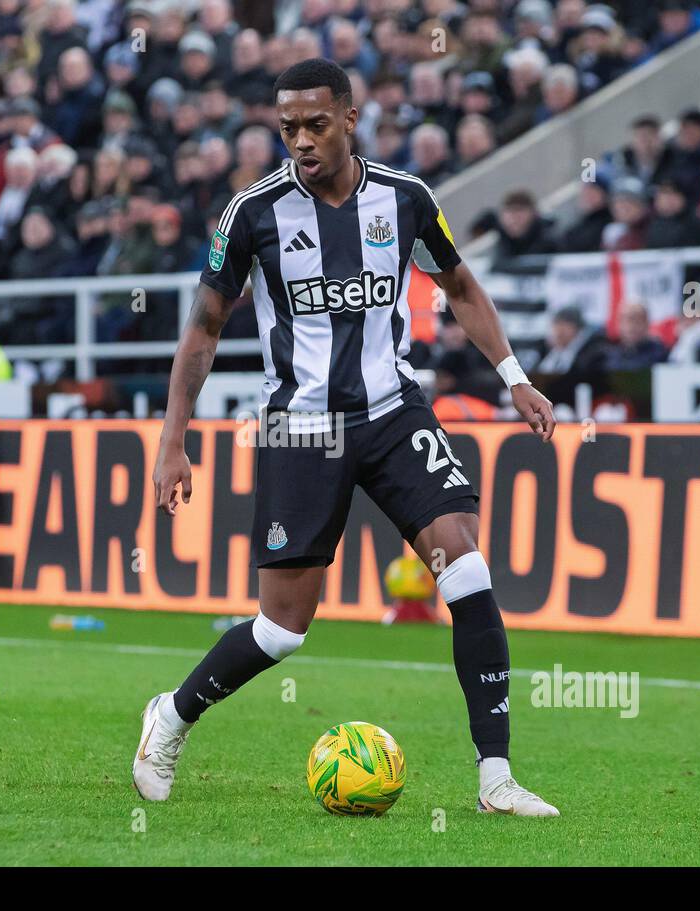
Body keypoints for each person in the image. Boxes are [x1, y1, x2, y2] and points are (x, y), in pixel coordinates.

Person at [137, 59, 560, 817]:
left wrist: (515, 375)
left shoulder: (404, 199)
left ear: (350, 118)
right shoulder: (253, 213)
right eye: (288, 127)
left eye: (316, 124)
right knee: (281, 631)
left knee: (464, 569)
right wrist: (174, 440)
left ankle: (495, 777)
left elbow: (459, 285)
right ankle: (171, 715)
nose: (301, 140)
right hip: (303, 430)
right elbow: (203, 329)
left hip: (393, 413)